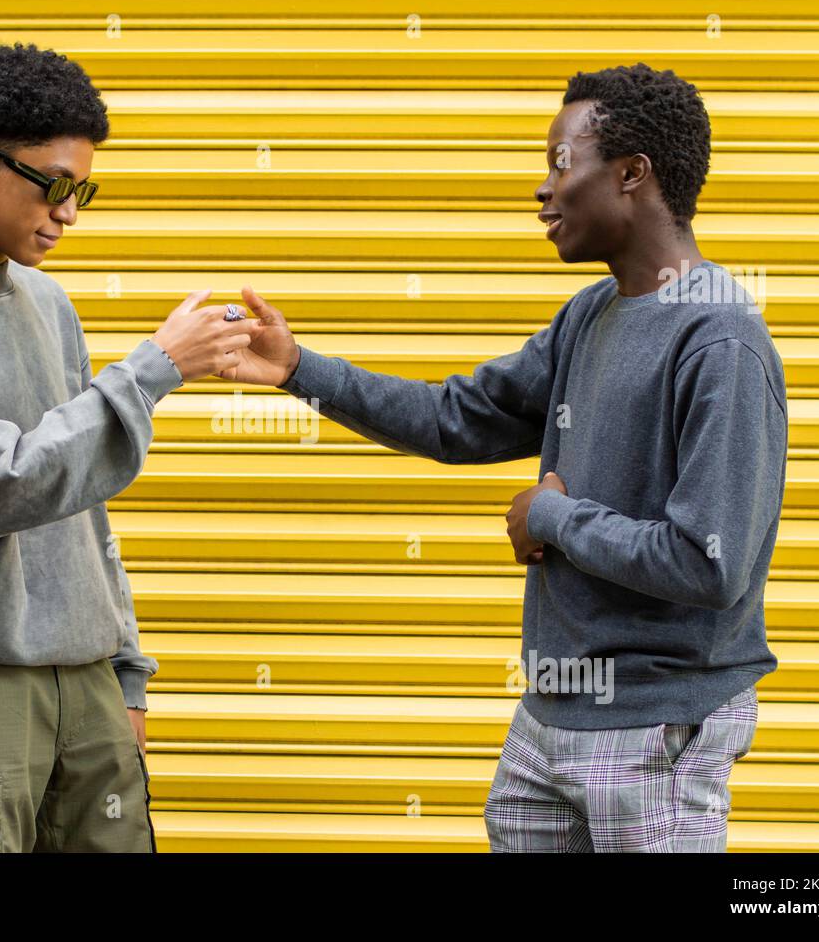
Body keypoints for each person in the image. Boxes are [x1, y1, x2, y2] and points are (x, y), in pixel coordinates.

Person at [224, 63, 786, 852]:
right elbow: (459, 418)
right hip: (548, 719)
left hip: (655, 730)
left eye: (561, 163)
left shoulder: (718, 340)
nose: (542, 188)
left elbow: (709, 564)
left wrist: (552, 516)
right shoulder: (589, 316)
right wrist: (298, 371)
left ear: (631, 174)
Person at [0, 42, 260, 852]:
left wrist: (126, 674)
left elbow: (82, 509)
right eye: (54, 184)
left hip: (87, 680)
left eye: (84, 189)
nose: (69, 211)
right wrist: (151, 372)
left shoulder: (50, 304)